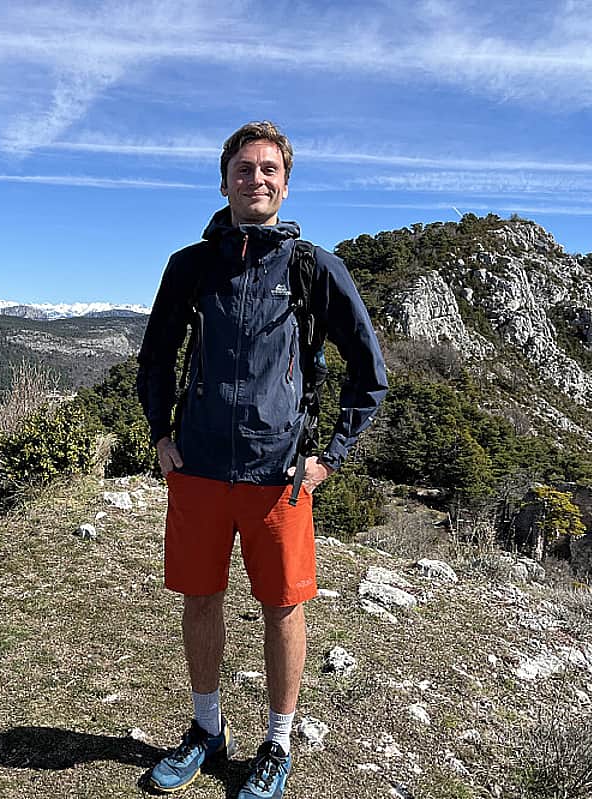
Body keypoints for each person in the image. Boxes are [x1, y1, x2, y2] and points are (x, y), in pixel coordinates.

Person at [135, 121, 388, 799]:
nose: (257, 179)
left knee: (282, 607)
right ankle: (206, 729)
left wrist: (330, 457)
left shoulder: (312, 267)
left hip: (279, 476)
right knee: (200, 598)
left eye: (269, 169)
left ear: (285, 182)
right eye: (244, 169)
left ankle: (277, 741)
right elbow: (155, 355)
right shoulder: (191, 265)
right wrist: (161, 435)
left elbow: (370, 372)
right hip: (198, 469)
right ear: (224, 182)